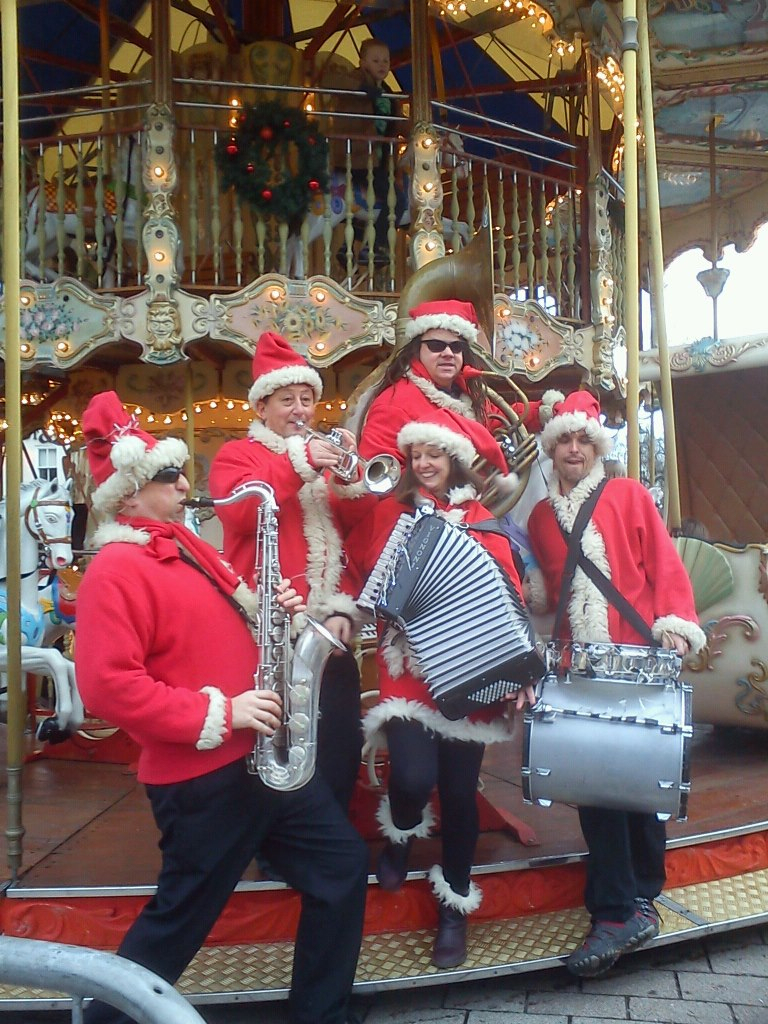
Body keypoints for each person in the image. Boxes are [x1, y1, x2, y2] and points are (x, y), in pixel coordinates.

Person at [75, 391, 368, 1024]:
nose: (185, 483)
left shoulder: (188, 546)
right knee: (178, 923)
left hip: (262, 762)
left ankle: (322, 1014)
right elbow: (107, 688)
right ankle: (106, 1017)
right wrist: (220, 715)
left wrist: (282, 616)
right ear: (127, 495)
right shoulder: (116, 568)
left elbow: (244, 621)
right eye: (166, 477)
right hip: (204, 777)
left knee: (343, 865)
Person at [526, 389, 707, 979]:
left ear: (596, 445)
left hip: (636, 655)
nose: (573, 449)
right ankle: (615, 910)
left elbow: (664, 562)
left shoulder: (627, 494)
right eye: (563, 441)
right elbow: (551, 595)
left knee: (642, 777)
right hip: (579, 667)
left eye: (583, 440)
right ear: (551, 449)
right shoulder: (536, 518)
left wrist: (677, 624)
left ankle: (639, 896)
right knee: (598, 784)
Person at [347, 419, 537, 970]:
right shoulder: (391, 514)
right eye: (418, 455)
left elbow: (511, 600)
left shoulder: (485, 523)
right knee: (410, 775)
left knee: (457, 794)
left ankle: (453, 907)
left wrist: (520, 669)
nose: (425, 463)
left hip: (470, 673)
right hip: (409, 666)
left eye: (436, 454)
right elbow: (365, 581)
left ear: (455, 461)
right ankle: (401, 832)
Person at [209, 331, 367, 813]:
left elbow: (353, 539)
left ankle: (330, 831)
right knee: (273, 744)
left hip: (327, 631)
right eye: (286, 401)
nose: (300, 410)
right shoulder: (237, 456)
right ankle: (275, 844)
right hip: (270, 628)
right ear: (261, 408)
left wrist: (345, 607)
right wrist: (299, 464)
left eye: (307, 399)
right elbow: (240, 514)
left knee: (339, 745)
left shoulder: (321, 462)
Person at [355, 298, 564, 488]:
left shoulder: (465, 394)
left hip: (472, 507)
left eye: (456, 347)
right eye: (436, 346)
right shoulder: (393, 402)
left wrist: (549, 410)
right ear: (417, 350)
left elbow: (497, 419)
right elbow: (378, 475)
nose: (448, 353)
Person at [331, 38, 407, 266]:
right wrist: (362, 90)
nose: (382, 65)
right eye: (375, 60)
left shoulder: (386, 94)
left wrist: (419, 127)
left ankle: (351, 244)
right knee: (398, 200)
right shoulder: (355, 80)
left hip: (377, 161)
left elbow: (395, 123)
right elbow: (332, 80)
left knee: (378, 200)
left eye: (385, 60)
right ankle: (376, 245)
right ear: (362, 62)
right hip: (355, 158)